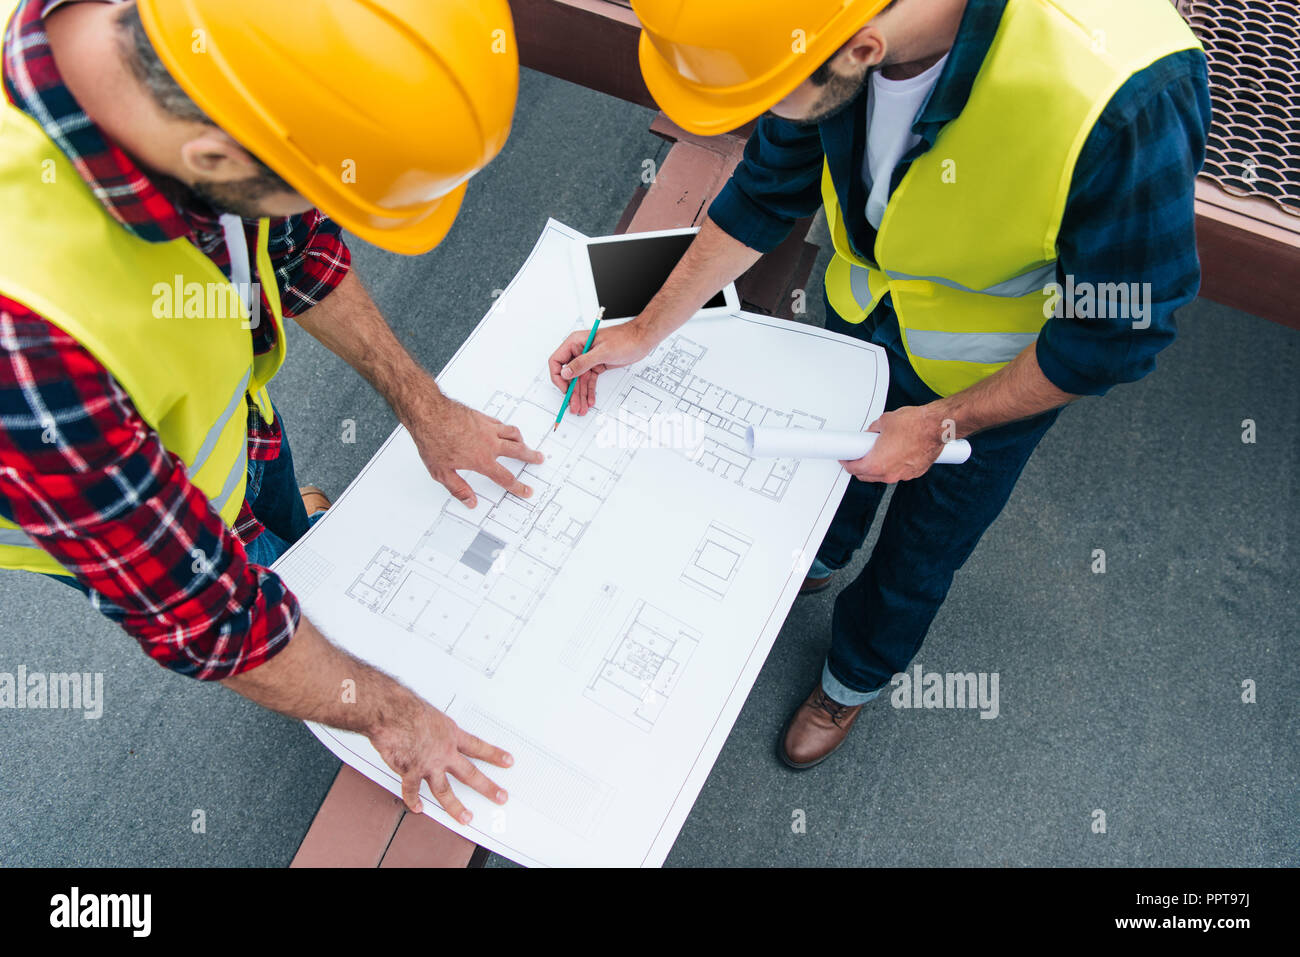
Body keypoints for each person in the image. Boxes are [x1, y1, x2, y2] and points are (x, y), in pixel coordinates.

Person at [549, 0, 1210, 768]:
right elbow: (768, 189)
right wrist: (642, 328)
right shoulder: (819, 31)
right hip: (867, 308)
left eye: (774, 98)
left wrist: (942, 424)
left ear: (861, 48)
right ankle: (819, 556)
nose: (770, 117)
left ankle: (851, 677)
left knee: (923, 547)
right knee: (834, 469)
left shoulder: (1125, 95)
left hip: (992, 372)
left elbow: (1115, 334)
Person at [0, 0, 540, 822]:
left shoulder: (225, 69)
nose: (305, 216)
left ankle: (300, 554)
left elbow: (294, 250)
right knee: (260, 587)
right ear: (211, 155)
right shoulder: (26, 349)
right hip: (140, 508)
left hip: (232, 425)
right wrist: (388, 712)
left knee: (289, 528)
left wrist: (424, 407)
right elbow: (207, 616)